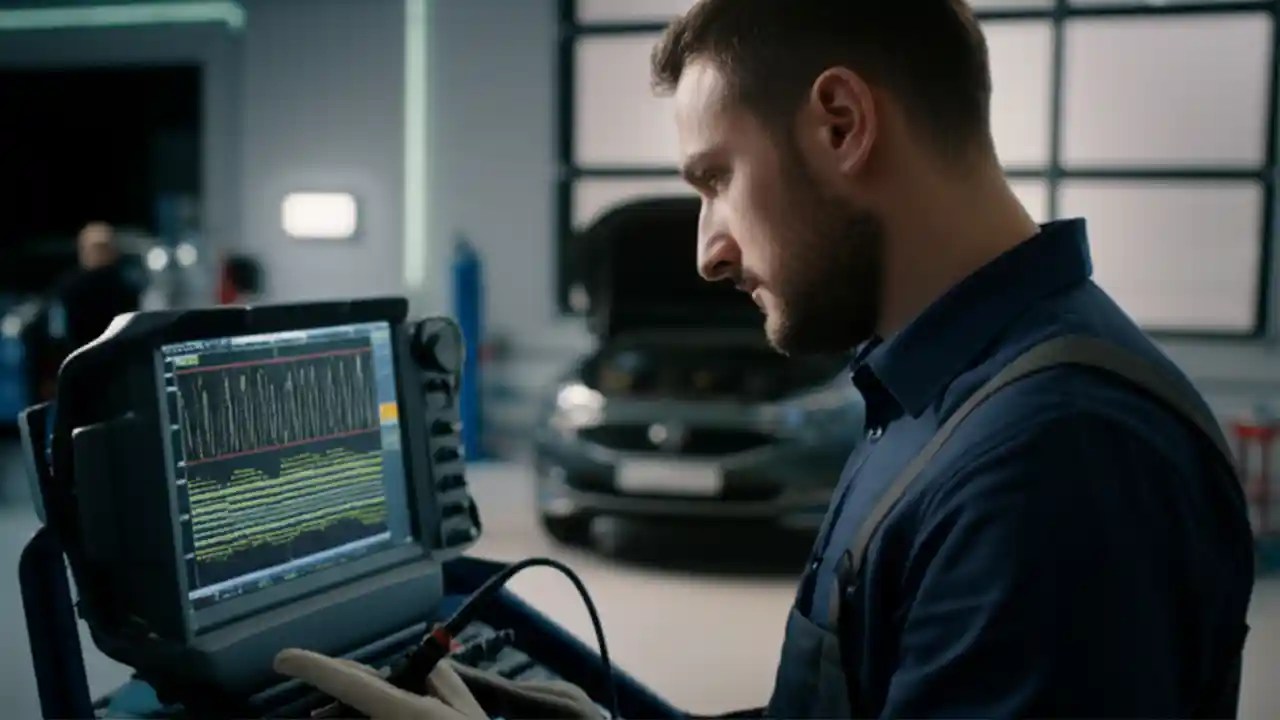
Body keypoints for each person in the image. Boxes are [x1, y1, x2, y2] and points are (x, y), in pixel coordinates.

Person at [277, 1, 1256, 717]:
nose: (706, 249)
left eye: (715, 179)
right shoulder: (936, 395)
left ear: (840, 125)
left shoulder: (1049, 463)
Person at [50, 221, 142, 351]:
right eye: (96, 248)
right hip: (79, 354)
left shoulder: (126, 285)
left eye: (104, 248)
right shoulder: (68, 288)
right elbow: (58, 331)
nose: (99, 254)